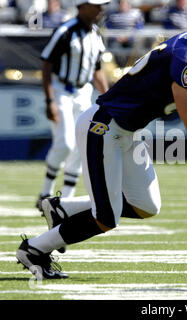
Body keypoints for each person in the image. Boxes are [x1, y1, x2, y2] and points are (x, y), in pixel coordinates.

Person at [16, 5, 187, 280]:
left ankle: (62, 208)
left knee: (146, 205)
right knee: (105, 218)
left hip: (126, 129)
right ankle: (33, 249)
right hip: (104, 126)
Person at [35, 0, 109, 210]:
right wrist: (49, 100)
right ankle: (45, 192)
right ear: (82, 6)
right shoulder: (65, 31)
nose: (100, 10)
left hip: (83, 91)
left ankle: (64, 200)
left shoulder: (96, 33)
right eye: (96, 5)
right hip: (62, 90)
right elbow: (47, 64)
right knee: (65, 142)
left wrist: (108, 96)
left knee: (82, 144)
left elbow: (97, 68)